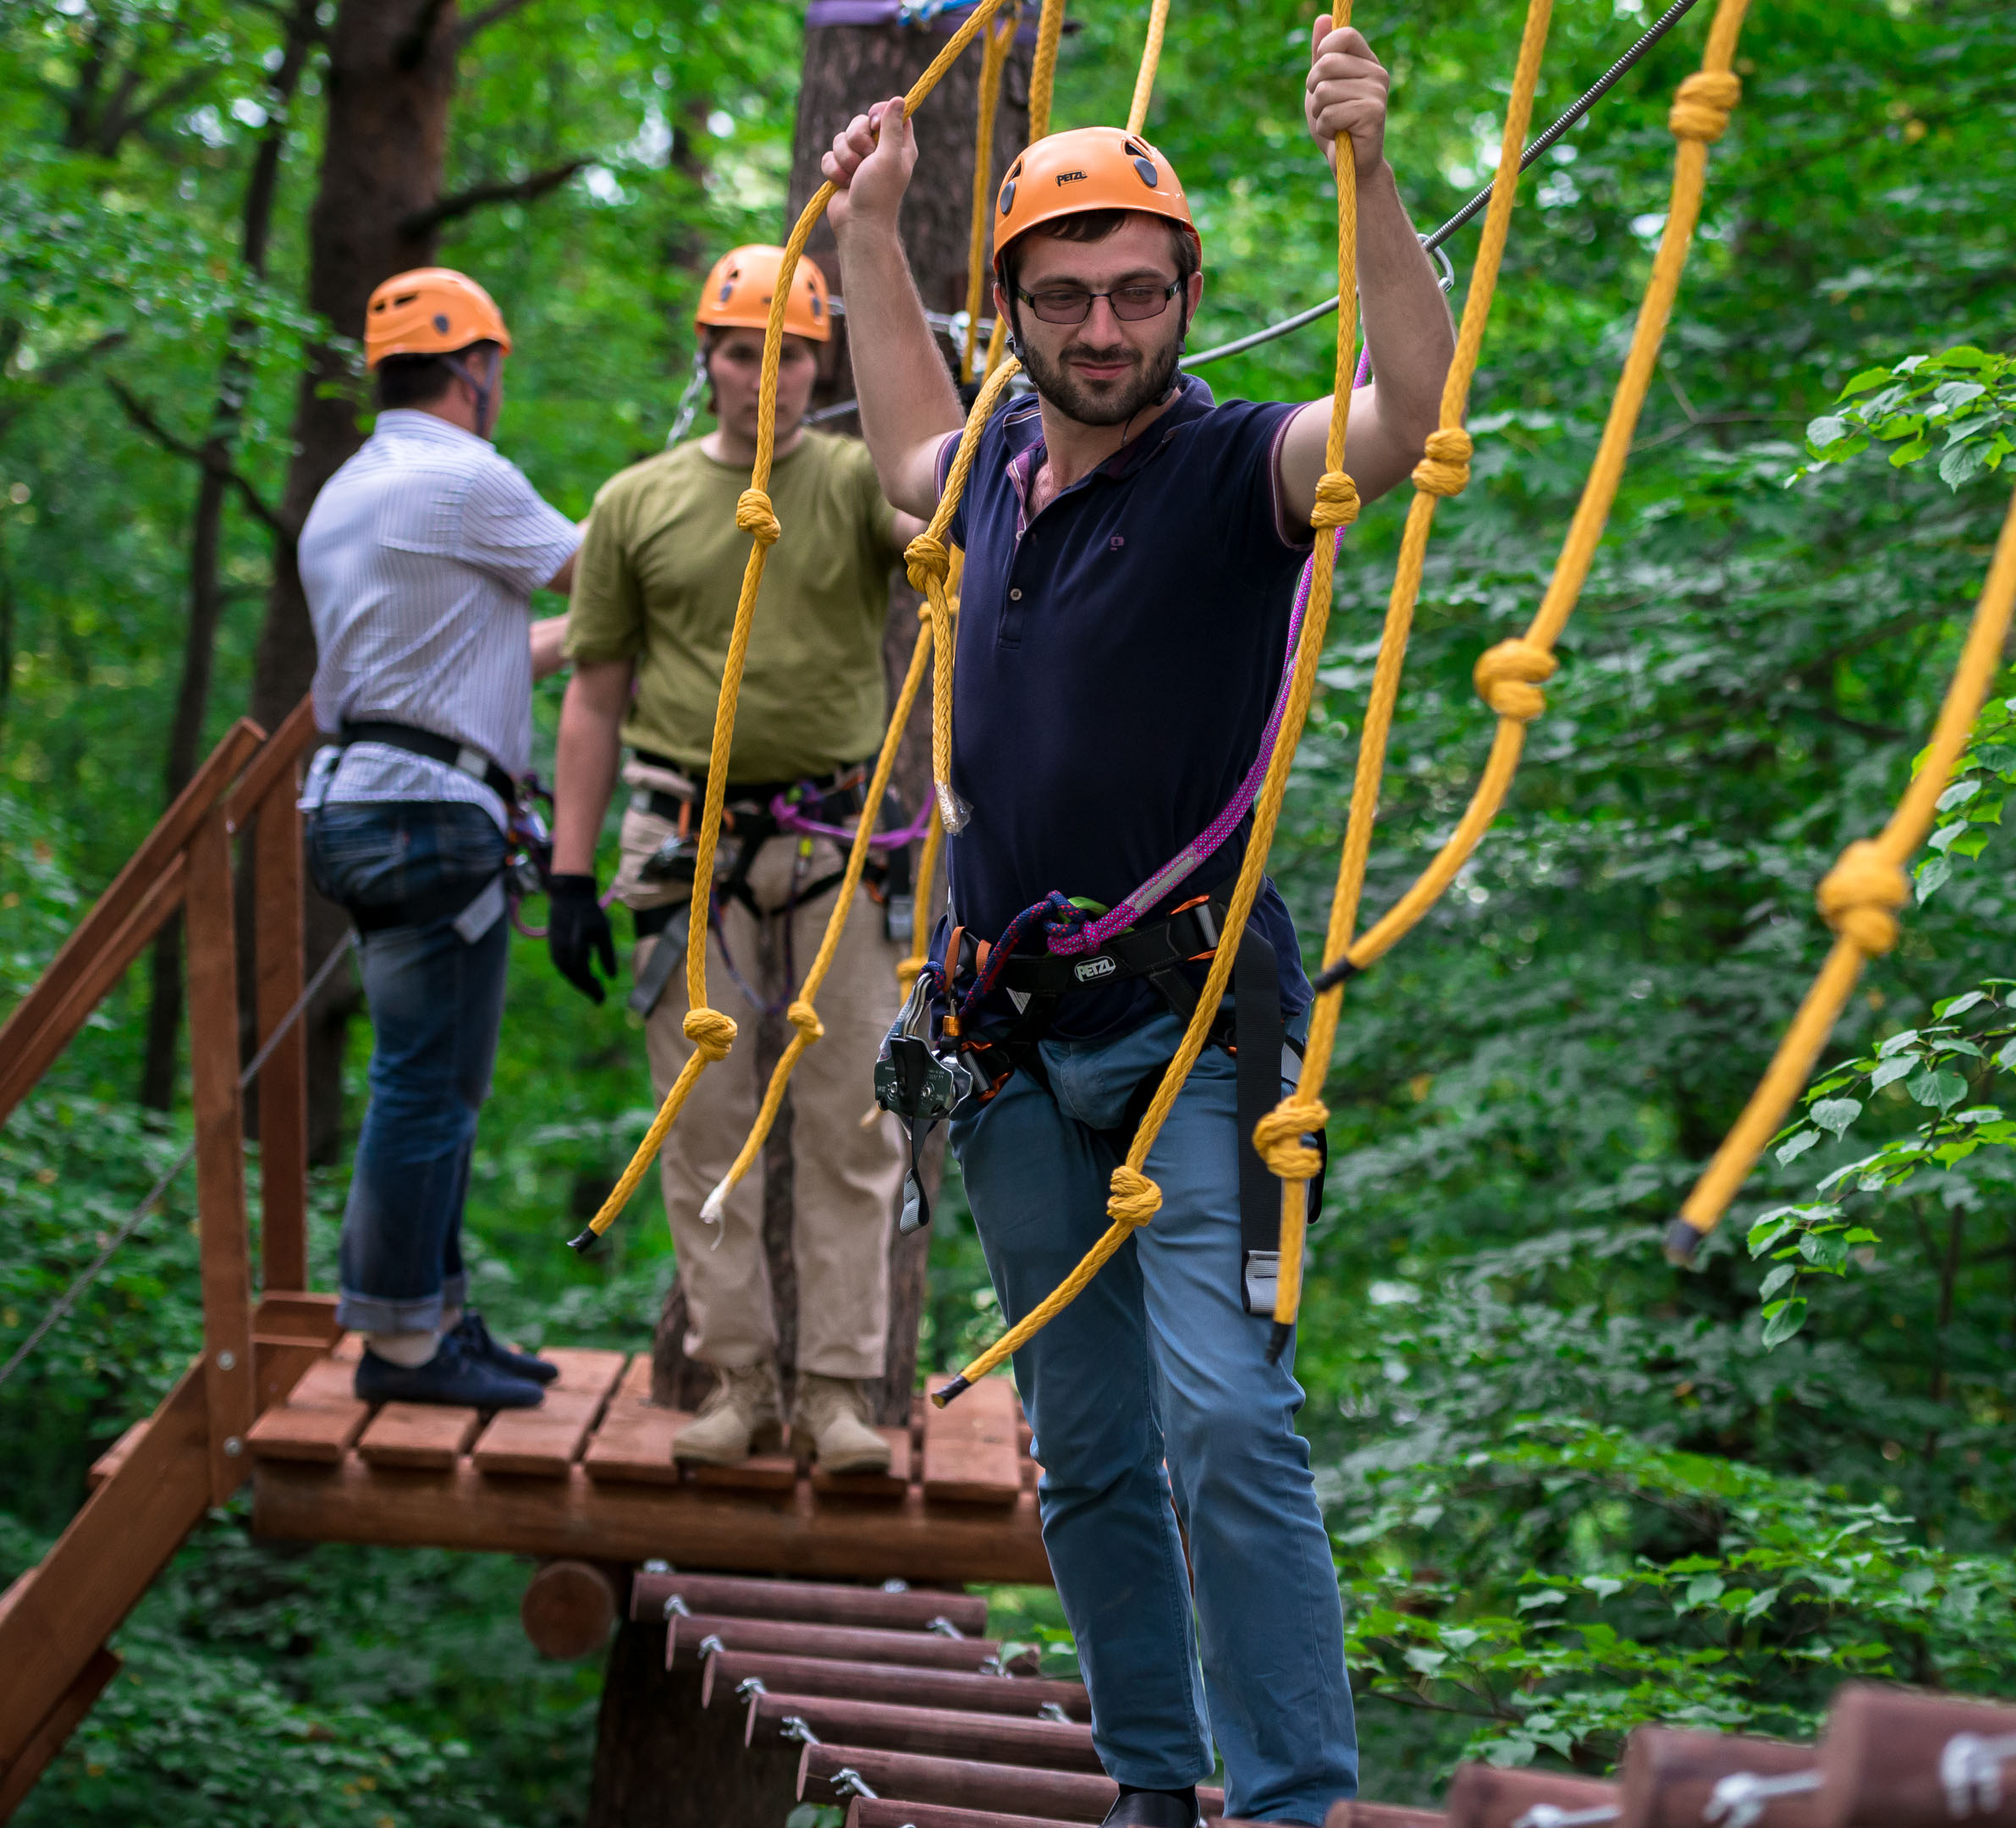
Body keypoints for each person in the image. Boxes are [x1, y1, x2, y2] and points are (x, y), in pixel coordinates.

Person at [819, 18, 1450, 1825]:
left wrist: (1374, 170)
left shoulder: (1239, 472)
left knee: (1233, 1430)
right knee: (1086, 1456)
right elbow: (902, 454)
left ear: (1188, 300)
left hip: (1196, 1039)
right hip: (1010, 1046)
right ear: (1014, 305)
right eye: (1070, 297)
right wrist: (872, 239)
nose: (1107, 331)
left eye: (1142, 295)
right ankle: (1154, 1790)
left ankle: (1295, 1805)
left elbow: (1404, 414)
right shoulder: (998, 481)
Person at [548, 243, 914, 1473]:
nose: (766, 375)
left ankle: (836, 1396)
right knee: (704, 1123)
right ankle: (740, 1381)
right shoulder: (636, 504)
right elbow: (594, 697)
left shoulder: (860, 484)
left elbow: (946, 519)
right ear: (707, 359)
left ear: (822, 366)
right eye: (744, 351)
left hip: (835, 843)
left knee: (851, 1120)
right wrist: (566, 869)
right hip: (684, 842)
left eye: (792, 353)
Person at [299, 267, 581, 1410]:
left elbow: (476, 662)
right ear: (476, 367)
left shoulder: (349, 493)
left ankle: (436, 1314)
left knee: (429, 1078)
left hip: (360, 797)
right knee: (426, 1085)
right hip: (426, 816)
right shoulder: (464, 476)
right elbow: (609, 575)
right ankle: (404, 1344)